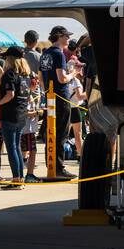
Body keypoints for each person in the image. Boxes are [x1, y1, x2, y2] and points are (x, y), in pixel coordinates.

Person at [39, 26, 76, 178]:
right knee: (61, 133)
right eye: (66, 36)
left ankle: (51, 165)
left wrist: (47, 91)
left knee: (51, 131)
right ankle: (58, 167)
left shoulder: (45, 54)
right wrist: (73, 74)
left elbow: (41, 77)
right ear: (59, 36)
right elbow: (61, 78)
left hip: (50, 97)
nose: (68, 39)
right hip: (61, 97)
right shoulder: (58, 54)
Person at [0, 47, 31, 189]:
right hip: (21, 114)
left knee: (12, 148)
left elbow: (10, 94)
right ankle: (19, 178)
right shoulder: (25, 76)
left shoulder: (9, 75)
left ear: (10, 59)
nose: (5, 60)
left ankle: (16, 179)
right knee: (16, 147)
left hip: (10, 114)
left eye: (6, 58)